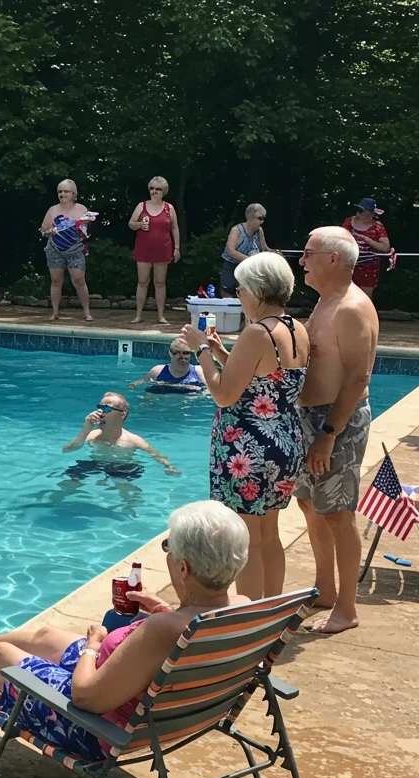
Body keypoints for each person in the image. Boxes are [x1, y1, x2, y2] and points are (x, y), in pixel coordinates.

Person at [0, 501, 251, 762]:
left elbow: (86, 698)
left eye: (169, 548)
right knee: (47, 635)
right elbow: (185, 631)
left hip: (99, 729)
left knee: (3, 659)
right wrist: (165, 608)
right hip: (154, 704)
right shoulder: (243, 608)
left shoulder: (162, 630)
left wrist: (92, 647)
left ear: (183, 568)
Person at [180, 253, 309, 599]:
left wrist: (199, 352)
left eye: (240, 290)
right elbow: (265, 378)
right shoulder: (296, 329)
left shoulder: (256, 332)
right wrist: (221, 353)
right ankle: (271, 614)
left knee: (247, 540)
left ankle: (249, 618)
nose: (238, 296)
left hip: (247, 449)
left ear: (256, 291)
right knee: (269, 535)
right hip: (283, 442)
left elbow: (223, 394)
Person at [294, 226, 379, 634]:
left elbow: (358, 377)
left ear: (332, 259)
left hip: (336, 422)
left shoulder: (350, 308)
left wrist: (329, 431)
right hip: (313, 419)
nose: (301, 261)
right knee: (311, 506)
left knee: (339, 515)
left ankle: (347, 608)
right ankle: (324, 589)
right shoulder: (325, 302)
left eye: (308, 253)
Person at [62, 391, 181, 477]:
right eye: (100, 407)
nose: (100, 411)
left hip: (123, 467)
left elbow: (157, 456)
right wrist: (85, 429)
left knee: (127, 492)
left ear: (122, 414)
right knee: (68, 477)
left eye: (106, 408)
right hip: (96, 464)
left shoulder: (133, 440)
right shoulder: (92, 435)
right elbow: (67, 450)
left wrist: (169, 467)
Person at [127, 177, 180, 324]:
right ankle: (138, 315)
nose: (154, 191)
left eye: (158, 189)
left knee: (160, 282)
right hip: (143, 249)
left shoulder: (169, 208)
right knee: (142, 281)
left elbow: (175, 228)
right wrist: (139, 225)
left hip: (163, 249)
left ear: (164, 191)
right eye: (152, 188)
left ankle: (161, 316)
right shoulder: (141, 206)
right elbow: (131, 224)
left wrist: (177, 248)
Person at [39, 179, 93, 322]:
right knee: (56, 281)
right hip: (55, 249)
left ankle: (87, 312)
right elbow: (43, 230)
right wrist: (49, 231)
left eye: (66, 191)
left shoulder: (81, 209)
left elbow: (86, 228)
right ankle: (55, 312)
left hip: (75, 249)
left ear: (74, 194)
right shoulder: (53, 210)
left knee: (79, 280)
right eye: (60, 192)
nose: (62, 194)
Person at [342, 198, 391, 300]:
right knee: (344, 294)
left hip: (369, 266)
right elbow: (340, 239)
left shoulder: (377, 226)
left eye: (362, 210)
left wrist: (367, 240)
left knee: (365, 297)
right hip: (349, 263)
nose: (358, 212)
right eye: (359, 209)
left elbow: (385, 248)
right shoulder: (349, 222)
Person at [220, 204, 272, 298]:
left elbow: (264, 248)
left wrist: (274, 253)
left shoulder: (259, 231)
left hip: (249, 270)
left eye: (263, 218)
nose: (262, 222)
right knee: (227, 295)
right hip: (232, 267)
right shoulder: (237, 230)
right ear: (250, 217)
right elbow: (230, 251)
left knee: (251, 296)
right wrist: (250, 260)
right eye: (260, 218)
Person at [129, 337, 205, 393]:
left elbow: (209, 392)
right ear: (170, 353)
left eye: (186, 353)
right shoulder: (157, 371)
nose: (182, 356)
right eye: (177, 353)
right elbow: (135, 385)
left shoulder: (198, 371)